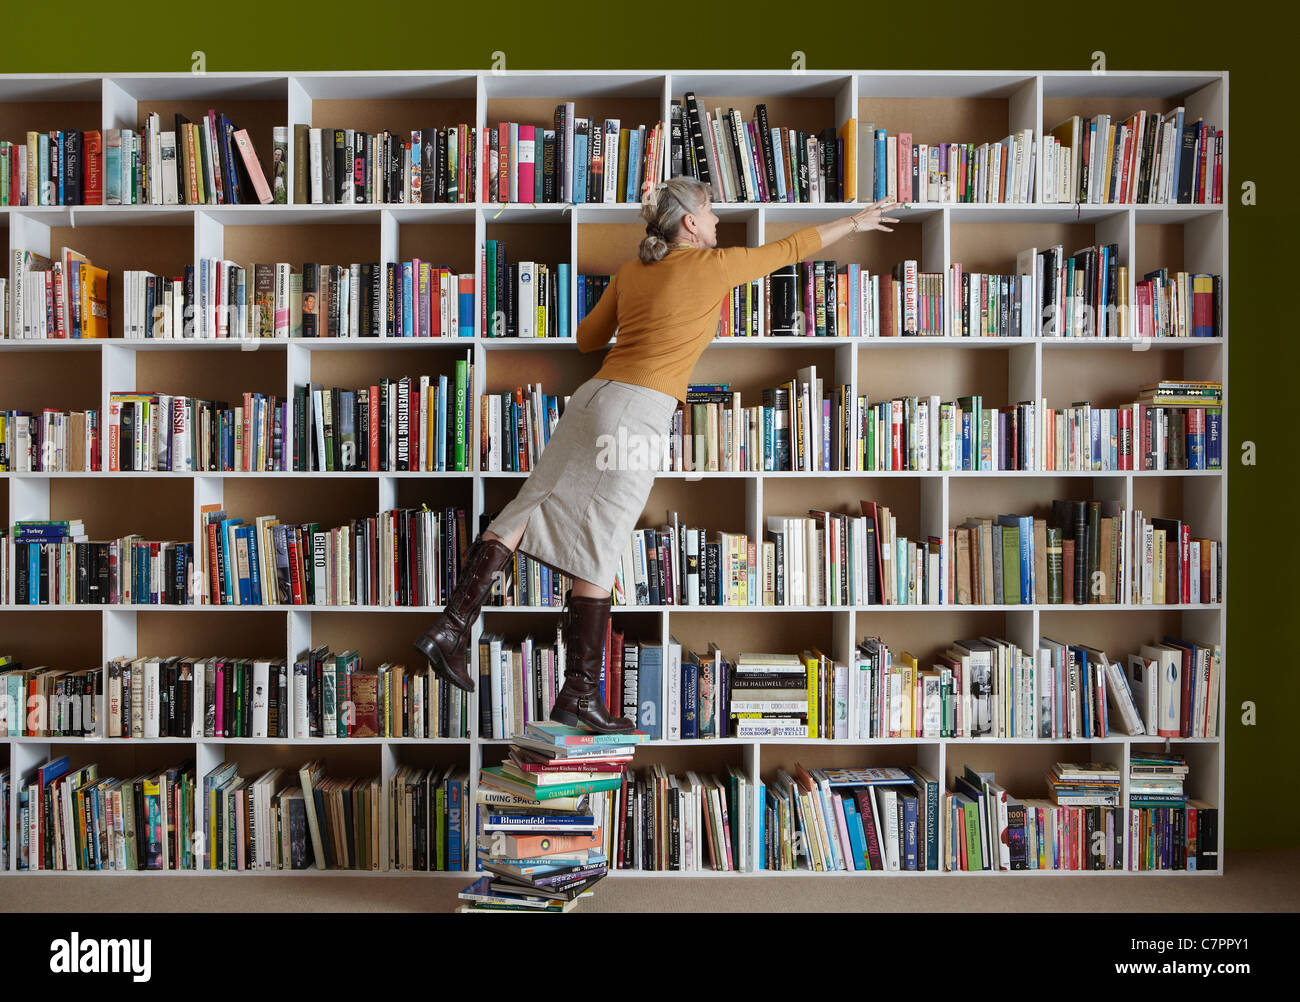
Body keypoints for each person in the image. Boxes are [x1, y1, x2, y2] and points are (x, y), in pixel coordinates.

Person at [414, 178, 898, 732]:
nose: (717, 218)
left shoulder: (630, 271)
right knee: (602, 540)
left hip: (591, 400)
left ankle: (450, 627)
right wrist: (854, 223)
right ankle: (577, 695)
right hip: (638, 414)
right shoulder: (713, 266)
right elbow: (790, 250)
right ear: (689, 222)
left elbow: (586, 340)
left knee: (528, 507)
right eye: (710, 210)